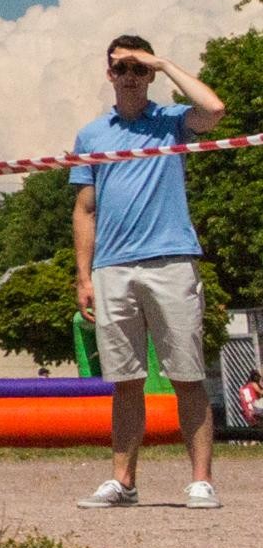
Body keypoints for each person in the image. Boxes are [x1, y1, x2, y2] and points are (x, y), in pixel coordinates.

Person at [72, 34, 231, 510]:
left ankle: (200, 480)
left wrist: (163, 62)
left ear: (150, 75)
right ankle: (123, 480)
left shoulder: (171, 122)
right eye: (122, 68)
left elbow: (215, 109)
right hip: (112, 268)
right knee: (124, 381)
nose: (131, 77)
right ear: (109, 75)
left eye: (139, 69)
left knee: (187, 374)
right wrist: (83, 275)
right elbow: (85, 208)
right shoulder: (92, 134)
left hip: (171, 259)